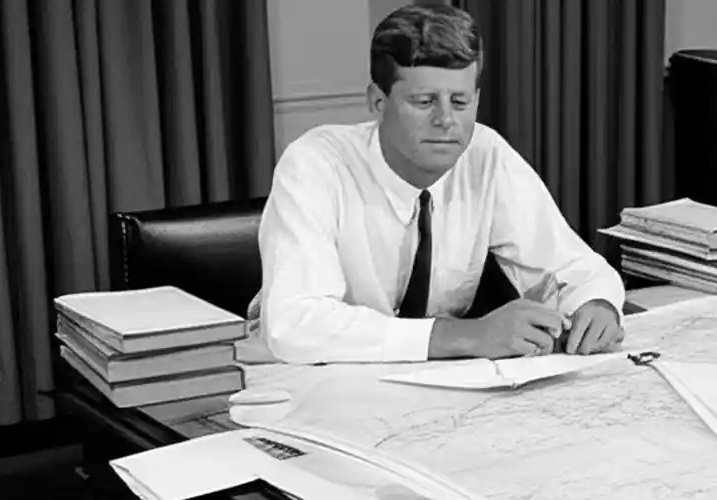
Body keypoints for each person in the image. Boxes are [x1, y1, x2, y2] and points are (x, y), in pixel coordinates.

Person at [246, 3, 625, 365]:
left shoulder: (485, 154)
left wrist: (596, 304)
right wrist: (466, 336)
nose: (446, 121)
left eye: (460, 102)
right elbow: (294, 325)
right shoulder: (316, 163)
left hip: (426, 389)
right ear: (378, 101)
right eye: (425, 101)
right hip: (303, 381)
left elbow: (577, 268)